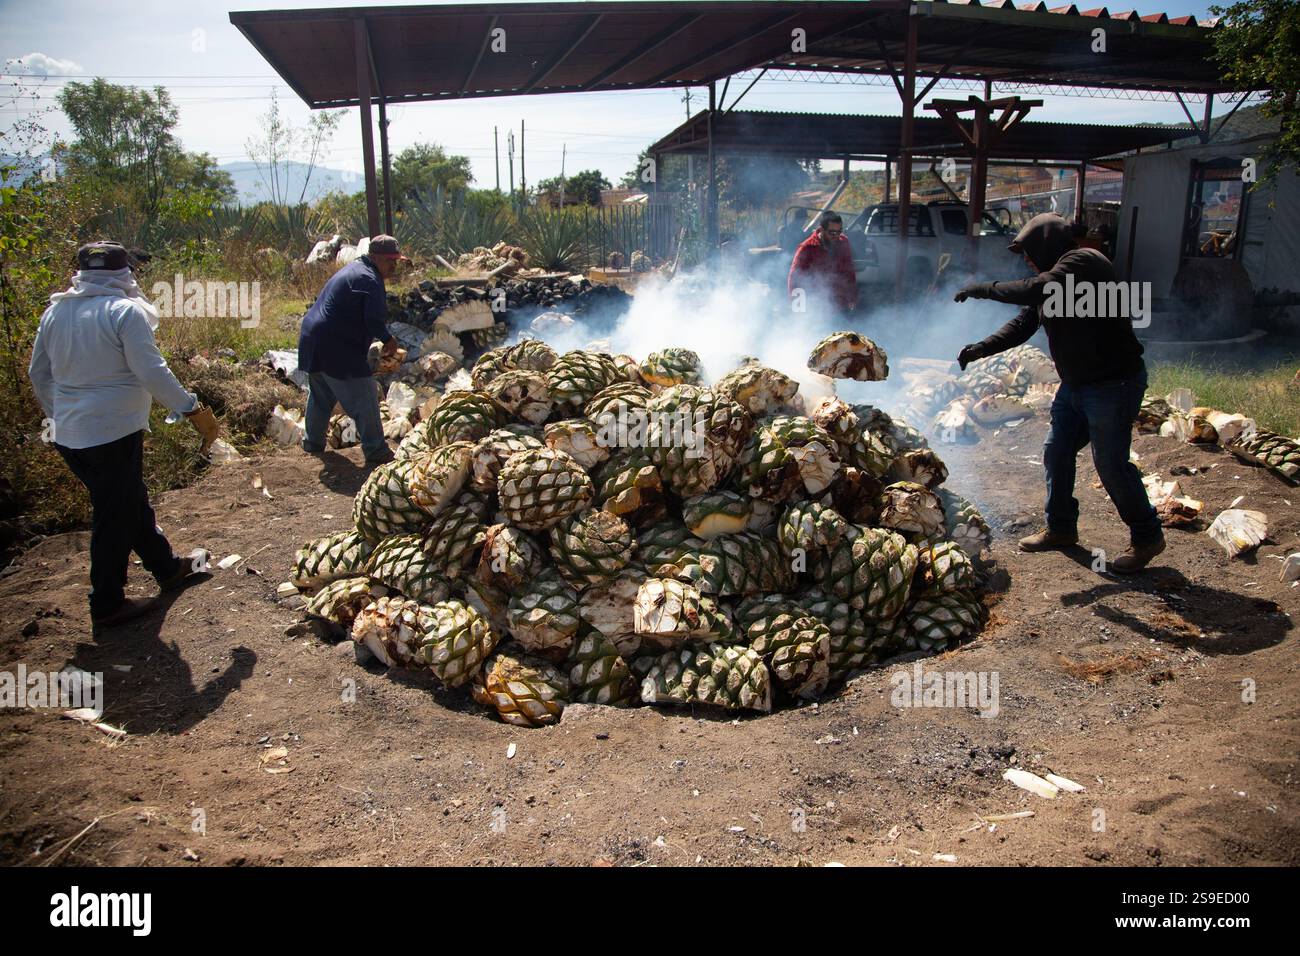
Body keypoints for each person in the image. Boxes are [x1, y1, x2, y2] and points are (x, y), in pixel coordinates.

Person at [952, 212, 1164, 574]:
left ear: (1047, 242)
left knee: (1110, 464)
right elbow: (1025, 322)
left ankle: (1147, 537)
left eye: (1030, 251)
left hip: (1113, 384)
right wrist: (980, 348)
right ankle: (1061, 528)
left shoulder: (1084, 261)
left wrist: (982, 289)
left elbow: (1038, 288)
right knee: (1057, 451)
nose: (1028, 260)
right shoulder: (1057, 277)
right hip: (1077, 385)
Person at [28, 241, 220, 627]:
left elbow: (39, 374)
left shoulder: (56, 311)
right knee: (113, 514)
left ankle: (166, 568)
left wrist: (62, 414)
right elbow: (151, 372)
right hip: (112, 433)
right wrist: (189, 408)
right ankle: (107, 603)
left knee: (127, 501)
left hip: (70, 435)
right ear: (125, 272)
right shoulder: (123, 311)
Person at [298, 234, 409, 465]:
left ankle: (312, 444)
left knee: (321, 394)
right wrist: (389, 341)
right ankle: (376, 450)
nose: (394, 265)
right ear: (376, 257)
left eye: (396, 260)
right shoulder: (370, 279)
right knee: (366, 393)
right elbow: (373, 320)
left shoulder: (355, 270)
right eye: (390, 260)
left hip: (312, 338)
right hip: (334, 344)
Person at [788, 212, 858, 317]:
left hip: (840, 305)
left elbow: (849, 271)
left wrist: (852, 296)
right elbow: (795, 280)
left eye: (839, 232)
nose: (837, 236)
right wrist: (799, 310)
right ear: (821, 230)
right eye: (832, 233)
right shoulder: (807, 248)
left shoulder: (843, 241)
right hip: (817, 308)